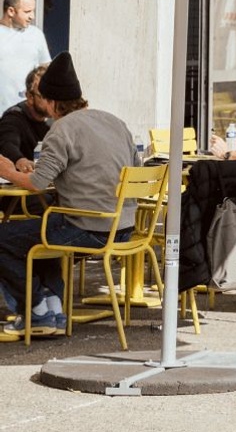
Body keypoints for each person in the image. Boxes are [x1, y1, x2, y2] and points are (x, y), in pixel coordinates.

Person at [0, 52, 137, 340]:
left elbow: (37, 182)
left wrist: (9, 171)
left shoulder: (61, 130)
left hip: (88, 226)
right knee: (42, 230)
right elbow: (136, 167)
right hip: (124, 226)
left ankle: (35, 309)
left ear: (51, 102)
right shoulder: (115, 121)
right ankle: (54, 309)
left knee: (9, 238)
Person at [0, 0, 51, 108]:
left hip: (28, 113)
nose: (32, 16)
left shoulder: (36, 35)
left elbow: (45, 70)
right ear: (11, 11)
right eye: (27, 12)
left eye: (33, 11)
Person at [0, 64, 49, 167]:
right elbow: (7, 144)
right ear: (30, 97)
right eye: (46, 96)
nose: (52, 102)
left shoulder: (56, 119)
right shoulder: (13, 118)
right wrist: (20, 160)